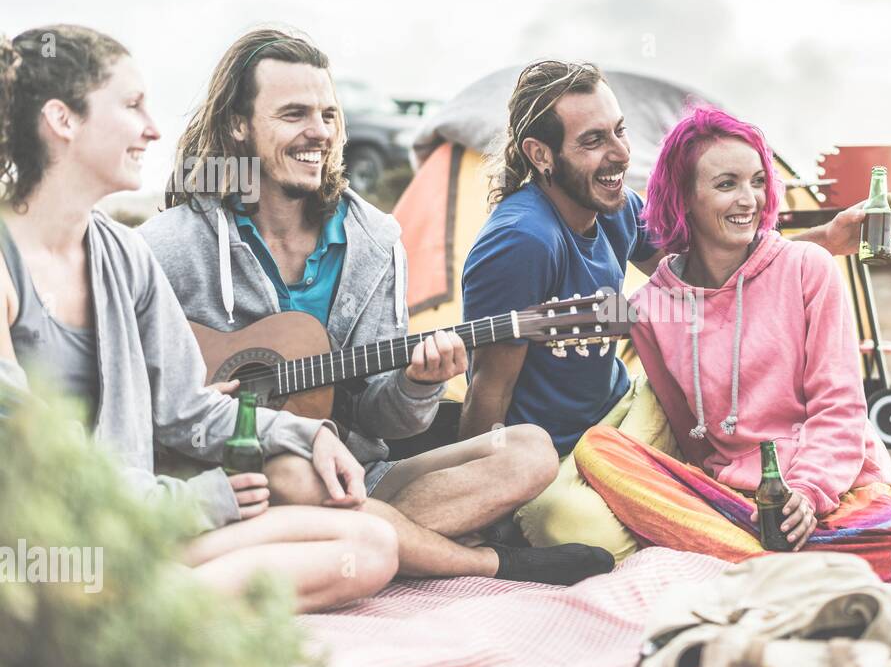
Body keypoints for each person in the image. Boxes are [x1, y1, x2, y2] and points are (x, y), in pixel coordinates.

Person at [140, 30, 611, 586]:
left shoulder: (375, 240)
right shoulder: (168, 246)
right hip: (241, 481)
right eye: (294, 114)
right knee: (295, 473)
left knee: (528, 450)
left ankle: (334, 541)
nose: (318, 133)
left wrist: (417, 385)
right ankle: (486, 562)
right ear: (238, 125)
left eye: (329, 116)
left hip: (361, 475)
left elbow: (383, 421)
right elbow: (118, 392)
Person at [0, 24, 397, 612]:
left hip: (124, 541)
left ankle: (133, 615)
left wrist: (306, 432)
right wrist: (195, 503)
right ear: (63, 120)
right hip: (36, 552)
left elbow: (188, 405)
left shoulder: (121, 254)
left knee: (371, 544)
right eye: (132, 106)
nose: (154, 129)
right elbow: (28, 468)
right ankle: (113, 624)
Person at [461, 60, 891, 561]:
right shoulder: (521, 242)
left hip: (621, 412)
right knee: (566, 527)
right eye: (592, 140)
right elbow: (486, 388)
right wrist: (480, 510)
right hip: (549, 449)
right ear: (541, 154)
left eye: (620, 131)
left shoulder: (614, 207)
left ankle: (719, 525)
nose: (620, 154)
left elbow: (708, 264)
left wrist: (819, 244)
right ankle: (732, 538)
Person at [570, 106, 891, 576]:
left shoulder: (808, 268)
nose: (749, 200)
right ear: (683, 197)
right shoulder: (651, 308)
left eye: (758, 181)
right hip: (734, 499)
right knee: (600, 450)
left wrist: (806, 492)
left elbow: (839, 406)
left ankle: (748, 555)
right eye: (726, 184)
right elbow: (689, 433)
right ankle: (776, 557)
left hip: (834, 485)